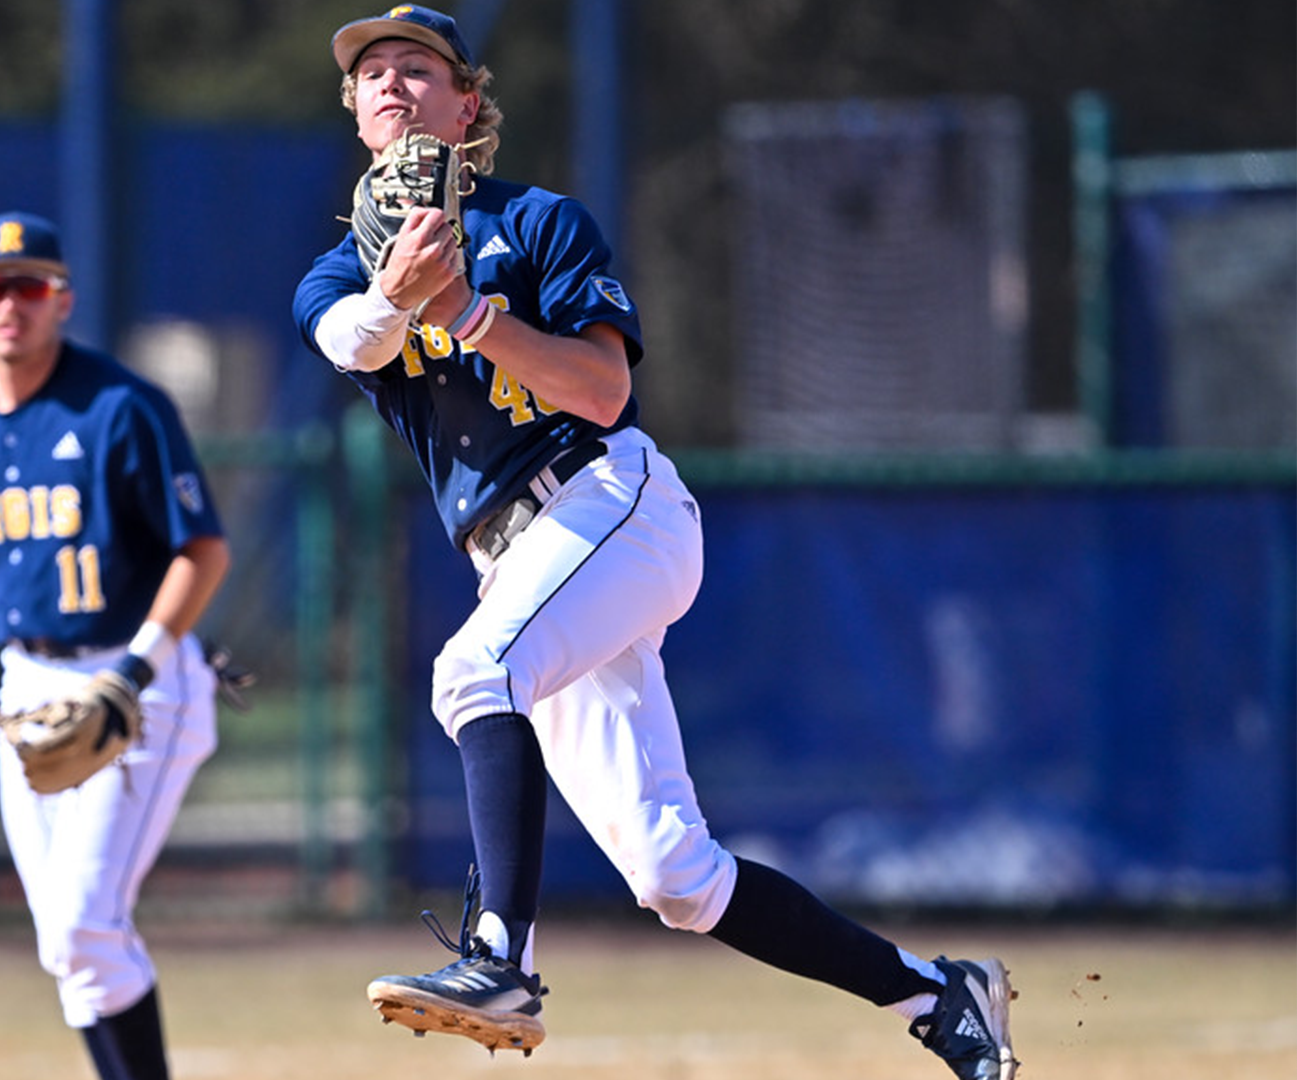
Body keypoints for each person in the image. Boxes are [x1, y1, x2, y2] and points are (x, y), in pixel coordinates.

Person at [291, 7, 1016, 1078]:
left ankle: (502, 957)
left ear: (467, 104)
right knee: (678, 878)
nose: (391, 84)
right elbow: (354, 338)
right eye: (372, 75)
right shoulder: (335, 274)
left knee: (474, 670)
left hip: (607, 504)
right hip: (519, 561)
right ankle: (940, 993)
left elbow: (604, 388)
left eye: (418, 68)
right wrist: (401, 298)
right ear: (355, 114)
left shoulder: (537, 222)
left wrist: (477, 314)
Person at [0, 209, 230, 1080]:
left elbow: (203, 550)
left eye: (30, 286)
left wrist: (135, 670)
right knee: (68, 947)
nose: (11, 303)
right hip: (27, 683)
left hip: (138, 679)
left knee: (84, 922)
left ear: (62, 300)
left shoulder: (122, 406)